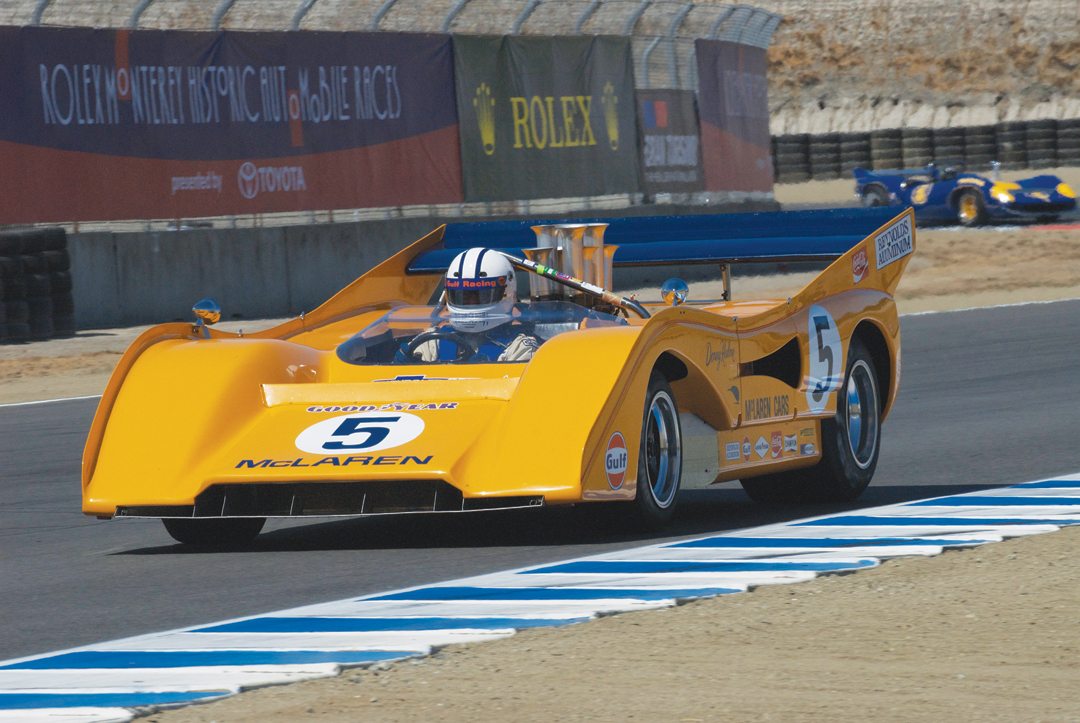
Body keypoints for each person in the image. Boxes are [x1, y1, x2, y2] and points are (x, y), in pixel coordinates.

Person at [406, 248, 541, 363]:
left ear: (506, 293)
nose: (470, 304)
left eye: (480, 297)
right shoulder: (431, 342)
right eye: (462, 297)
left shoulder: (520, 347)